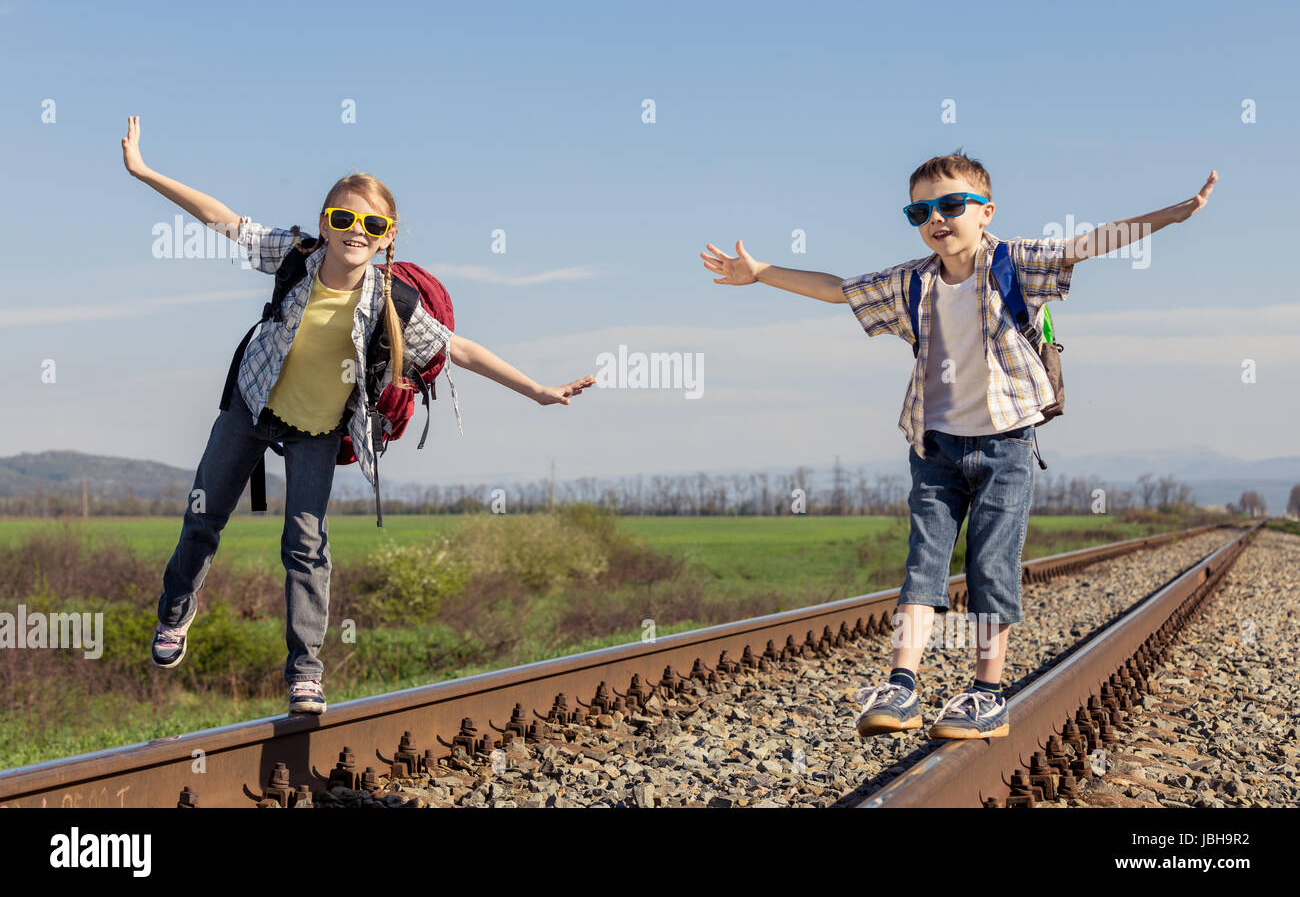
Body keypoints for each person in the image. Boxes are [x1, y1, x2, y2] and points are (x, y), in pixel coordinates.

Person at [701, 149, 1216, 739]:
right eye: (920, 210)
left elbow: (1086, 243)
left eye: (950, 204)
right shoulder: (911, 282)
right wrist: (762, 271)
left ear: (984, 210)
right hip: (935, 448)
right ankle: (900, 686)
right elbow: (839, 289)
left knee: (991, 567)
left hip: (1005, 446)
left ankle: (987, 692)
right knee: (923, 564)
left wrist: (1172, 216)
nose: (936, 218)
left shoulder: (1012, 263)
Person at [121, 115, 596, 715]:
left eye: (371, 223)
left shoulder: (392, 301)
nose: (355, 230)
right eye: (342, 218)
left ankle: (305, 673)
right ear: (325, 225)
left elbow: (459, 348)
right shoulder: (295, 256)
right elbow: (224, 220)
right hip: (252, 403)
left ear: (387, 236)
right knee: (203, 515)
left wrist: (536, 390)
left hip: (316, 429)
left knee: (306, 545)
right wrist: (143, 172)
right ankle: (175, 610)